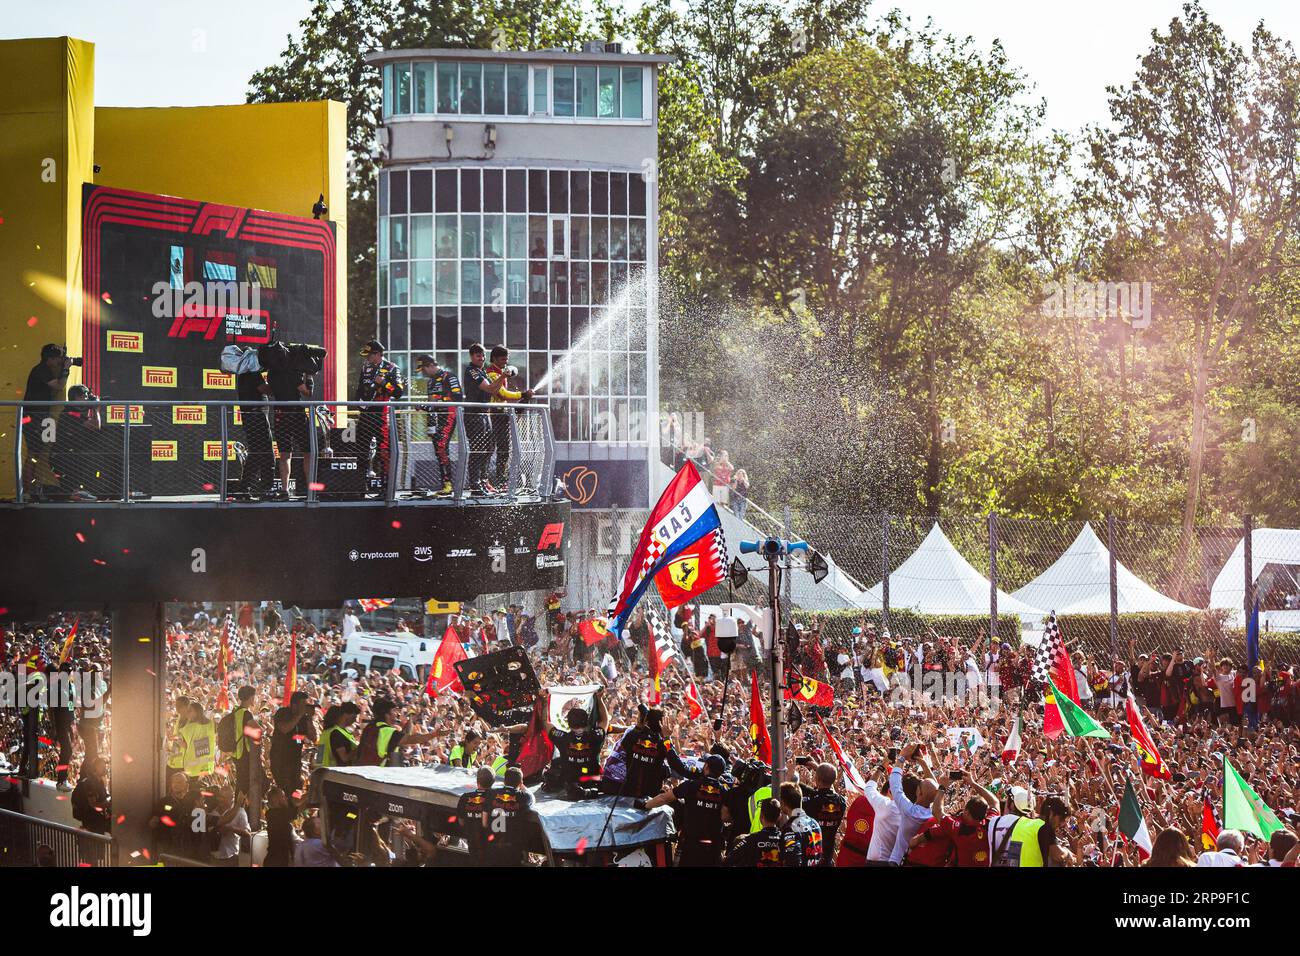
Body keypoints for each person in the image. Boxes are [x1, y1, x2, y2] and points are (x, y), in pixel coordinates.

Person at [645, 753, 730, 866]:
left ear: (706, 766)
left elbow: (664, 798)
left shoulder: (691, 785)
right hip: (713, 847)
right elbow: (725, 817)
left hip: (691, 845)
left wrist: (645, 805)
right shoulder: (725, 792)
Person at [22, 343, 74, 498]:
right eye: (58, 358)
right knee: (32, 454)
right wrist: (66, 369)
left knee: (37, 454)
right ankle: (26, 492)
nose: (60, 361)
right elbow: (59, 386)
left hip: (40, 417)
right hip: (33, 417)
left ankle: (32, 490)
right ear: (50, 359)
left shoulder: (45, 370)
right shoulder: (41, 370)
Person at [612, 706, 698, 799]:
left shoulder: (633, 735)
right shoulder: (663, 743)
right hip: (649, 799)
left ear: (646, 721)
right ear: (662, 724)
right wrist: (667, 738)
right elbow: (675, 763)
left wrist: (639, 726)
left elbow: (624, 745)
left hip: (628, 793)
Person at [483, 345, 534, 492]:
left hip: (501, 414)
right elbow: (502, 394)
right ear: (494, 359)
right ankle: (495, 481)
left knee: (503, 449)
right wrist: (522, 395)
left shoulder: (501, 372)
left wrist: (523, 397)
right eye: (502, 359)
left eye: (506, 359)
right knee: (494, 449)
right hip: (494, 415)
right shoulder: (492, 373)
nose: (505, 362)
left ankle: (500, 480)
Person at [355, 340, 405, 484]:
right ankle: (360, 485)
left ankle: (385, 485)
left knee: (384, 450)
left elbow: (398, 393)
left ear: (377, 354)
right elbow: (359, 389)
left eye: (369, 355)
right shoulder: (365, 368)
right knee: (361, 448)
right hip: (365, 414)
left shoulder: (392, 368)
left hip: (382, 414)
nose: (367, 358)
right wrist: (358, 403)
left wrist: (383, 383)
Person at [546, 690, 612, 798]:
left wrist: (544, 702)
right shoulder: (595, 736)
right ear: (587, 722)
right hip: (592, 780)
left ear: (568, 723)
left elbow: (546, 723)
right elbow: (605, 720)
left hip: (570, 782)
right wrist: (599, 699)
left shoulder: (562, 738)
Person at [416, 354, 462, 496]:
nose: (423, 373)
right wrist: (428, 414)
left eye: (423, 369)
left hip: (449, 415)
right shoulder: (430, 382)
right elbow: (431, 403)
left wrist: (436, 403)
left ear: (431, 365)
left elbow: (458, 397)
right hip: (436, 419)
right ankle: (445, 484)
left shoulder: (450, 377)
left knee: (442, 445)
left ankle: (449, 485)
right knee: (438, 449)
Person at [354, 698, 438, 768]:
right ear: (387, 714)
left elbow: (404, 736)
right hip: (377, 776)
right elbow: (411, 739)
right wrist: (435, 734)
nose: (397, 714)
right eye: (394, 711)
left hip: (362, 772)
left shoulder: (370, 727)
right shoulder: (387, 731)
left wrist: (411, 718)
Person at [235, 363, 274, 496]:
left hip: (252, 418)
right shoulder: (252, 374)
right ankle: (265, 489)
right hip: (257, 418)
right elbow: (267, 390)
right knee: (267, 454)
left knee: (256, 453)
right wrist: (276, 379)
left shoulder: (243, 375)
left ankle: (245, 488)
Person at [728, 798, 802, 867]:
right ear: (779, 816)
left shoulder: (750, 840)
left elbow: (728, 860)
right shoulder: (787, 839)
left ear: (761, 816)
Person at [798, 762, 847, 866]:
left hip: (811, 854)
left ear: (817, 780)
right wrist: (820, 772)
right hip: (827, 855)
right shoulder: (841, 802)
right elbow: (828, 791)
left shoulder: (811, 801)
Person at [483, 766, 534, 866]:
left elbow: (484, 823)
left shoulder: (490, 793)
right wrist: (522, 786)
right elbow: (532, 797)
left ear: (504, 781)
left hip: (493, 845)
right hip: (512, 848)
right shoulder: (524, 797)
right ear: (520, 783)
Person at [270, 691, 316, 799]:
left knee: (296, 790)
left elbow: (313, 737)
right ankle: (284, 809)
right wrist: (299, 715)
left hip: (295, 761)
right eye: (303, 705)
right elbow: (284, 729)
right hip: (280, 760)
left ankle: (294, 810)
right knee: (284, 790)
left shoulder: (304, 719)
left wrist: (309, 718)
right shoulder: (283, 713)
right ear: (295, 705)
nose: (305, 707)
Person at [455, 766, 498, 865]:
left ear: (477, 780)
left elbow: (461, 822)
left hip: (473, 844)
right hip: (492, 847)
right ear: (493, 781)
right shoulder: (497, 799)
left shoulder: (465, 798)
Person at [208, 785, 250, 865]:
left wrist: (232, 829)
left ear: (232, 798)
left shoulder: (240, 812)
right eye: (220, 796)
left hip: (231, 858)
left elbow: (247, 833)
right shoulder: (212, 811)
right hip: (212, 857)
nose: (220, 799)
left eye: (224, 797)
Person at [70, 757, 111, 836]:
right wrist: (109, 804)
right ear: (95, 768)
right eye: (102, 767)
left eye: (104, 766)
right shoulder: (90, 783)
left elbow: (102, 798)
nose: (104, 769)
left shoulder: (100, 782)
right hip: (91, 822)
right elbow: (93, 804)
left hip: (98, 821)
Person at [316, 702, 360, 767]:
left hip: (323, 771)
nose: (355, 720)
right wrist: (359, 748)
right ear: (345, 715)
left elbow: (319, 757)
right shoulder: (337, 733)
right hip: (334, 772)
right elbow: (344, 758)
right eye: (354, 717)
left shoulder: (327, 732)